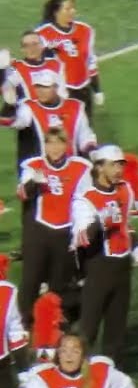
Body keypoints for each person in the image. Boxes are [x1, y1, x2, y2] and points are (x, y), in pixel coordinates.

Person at [71, 145, 138, 364]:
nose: (118, 170)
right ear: (99, 167)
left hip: (123, 267)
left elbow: (126, 224)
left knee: (117, 326)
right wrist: (101, 222)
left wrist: (136, 244)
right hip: (98, 267)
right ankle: (77, 373)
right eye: (113, 165)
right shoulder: (85, 199)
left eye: (121, 165)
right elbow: (81, 239)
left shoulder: (125, 190)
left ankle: (110, 376)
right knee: (89, 327)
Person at [14, 129, 91, 326]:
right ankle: (22, 322)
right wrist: (34, 182)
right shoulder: (34, 165)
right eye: (50, 143)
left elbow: (86, 198)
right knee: (31, 279)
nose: (54, 148)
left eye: (59, 143)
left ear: (66, 145)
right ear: (44, 145)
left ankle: (55, 321)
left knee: (59, 281)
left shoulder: (80, 167)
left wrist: (81, 227)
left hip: (65, 231)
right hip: (39, 230)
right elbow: (22, 193)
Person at [0, 70, 96, 163]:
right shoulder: (29, 107)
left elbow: (85, 135)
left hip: (71, 169)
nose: (41, 91)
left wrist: (91, 151)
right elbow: (13, 122)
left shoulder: (75, 107)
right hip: (43, 171)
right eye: (38, 86)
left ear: (56, 87)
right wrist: (9, 105)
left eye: (45, 87)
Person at [35, 0, 101, 117]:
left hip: (84, 87)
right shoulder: (43, 34)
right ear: (56, 12)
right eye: (68, 9)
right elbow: (36, 64)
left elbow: (91, 61)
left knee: (85, 126)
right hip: (61, 90)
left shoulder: (85, 30)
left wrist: (97, 89)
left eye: (73, 8)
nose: (73, 11)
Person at [3, 30, 67, 101]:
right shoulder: (17, 67)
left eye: (35, 44)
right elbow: (6, 89)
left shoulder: (56, 65)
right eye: (26, 45)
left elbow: (62, 94)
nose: (31, 48)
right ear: (22, 49)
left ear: (42, 46)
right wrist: (3, 70)